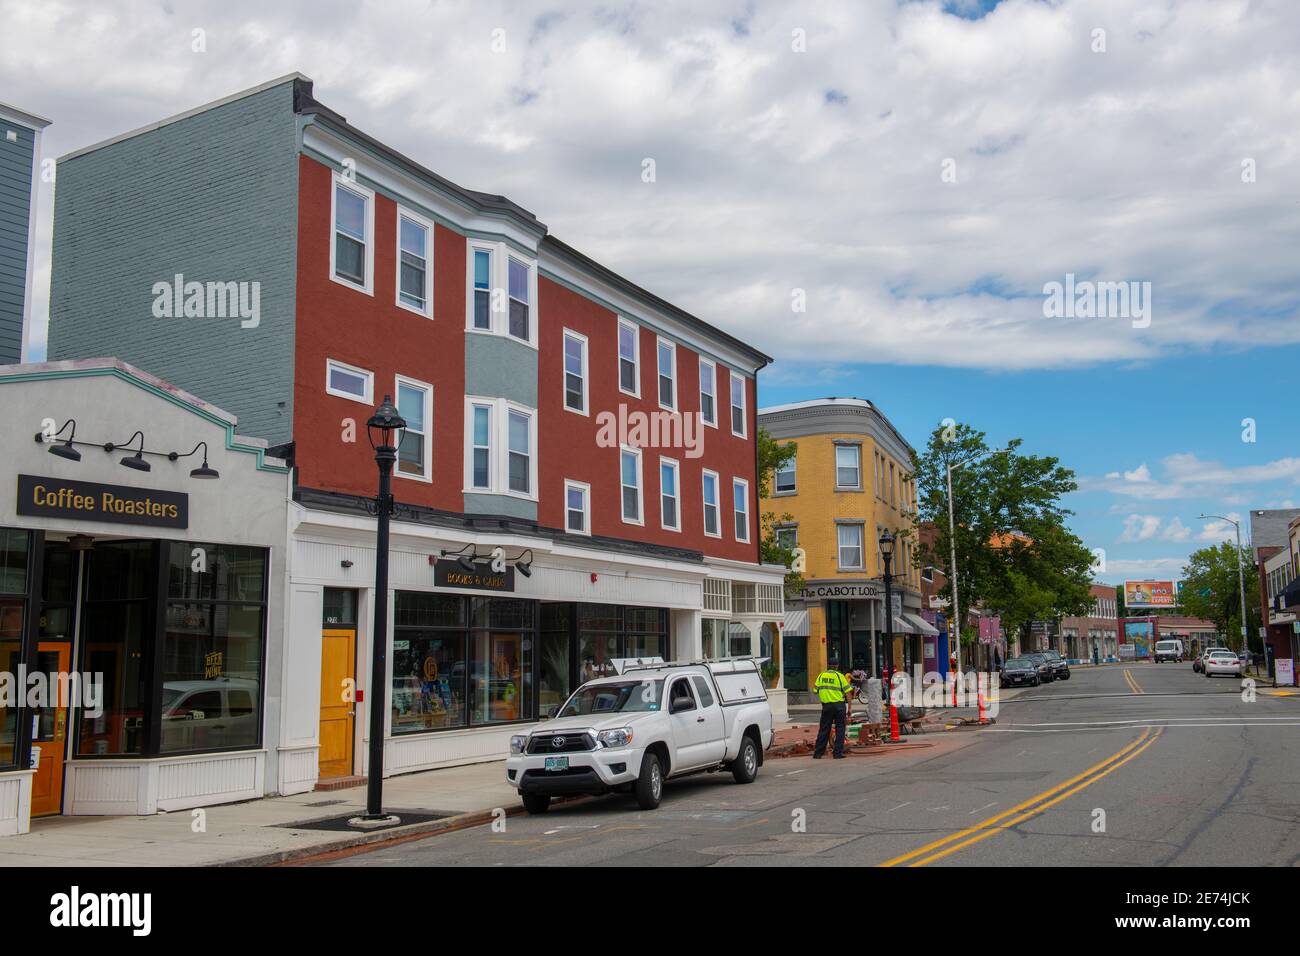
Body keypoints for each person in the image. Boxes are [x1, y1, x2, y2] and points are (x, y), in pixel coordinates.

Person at [812, 655, 852, 759]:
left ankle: (818, 753)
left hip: (826, 706)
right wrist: (850, 708)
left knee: (824, 729)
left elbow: (815, 690)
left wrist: (825, 694)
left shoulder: (821, 676)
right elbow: (848, 693)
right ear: (837, 666)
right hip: (839, 706)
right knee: (840, 729)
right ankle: (837, 753)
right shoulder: (840, 676)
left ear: (828, 666)